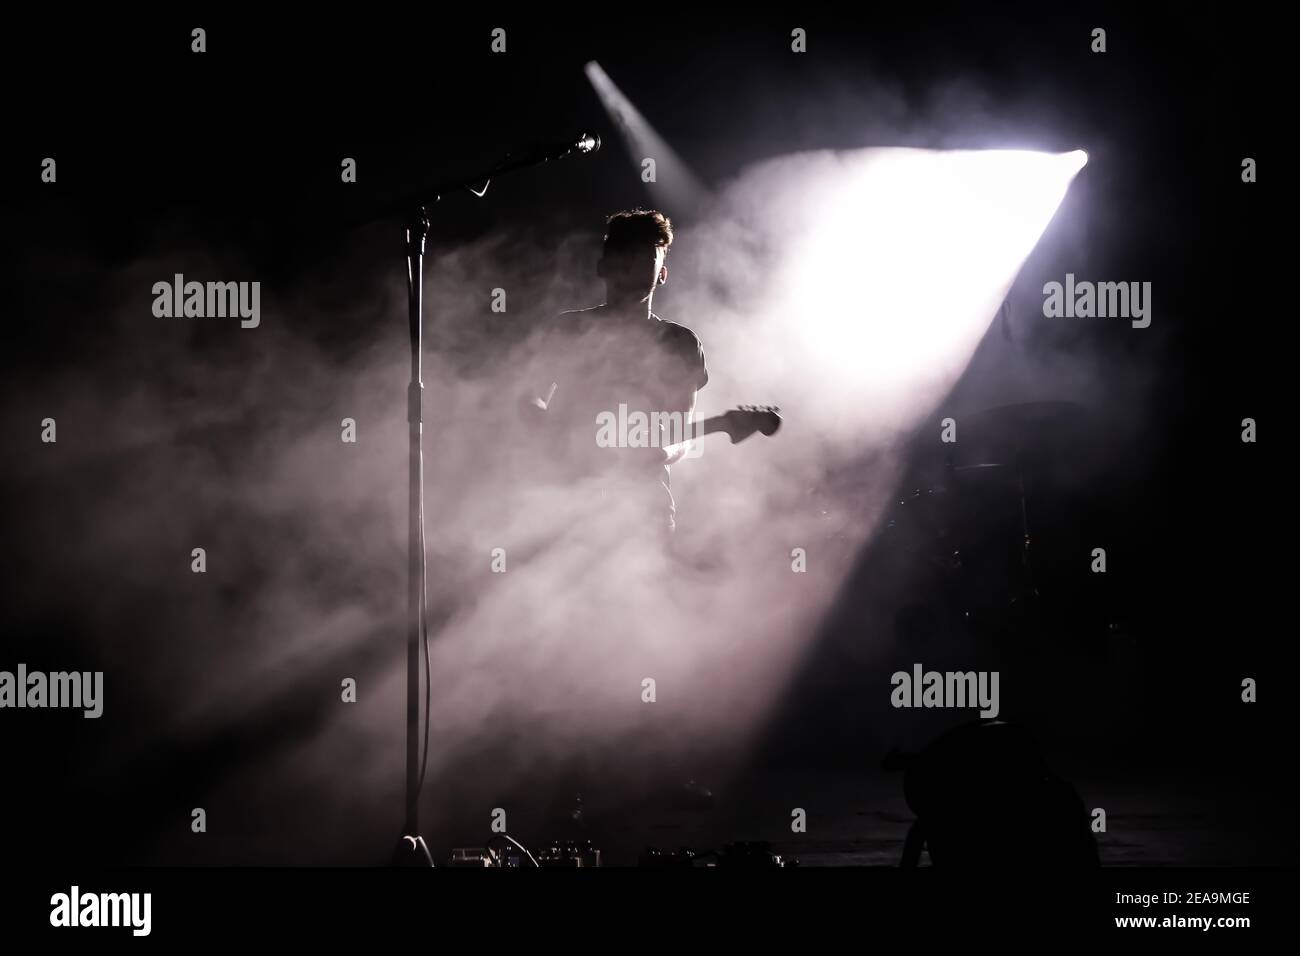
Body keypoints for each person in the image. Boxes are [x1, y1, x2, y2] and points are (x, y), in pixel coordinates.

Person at [525, 209, 708, 539]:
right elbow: (527, 396)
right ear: (602, 266)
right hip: (561, 502)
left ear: (662, 273)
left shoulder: (680, 342)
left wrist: (659, 453)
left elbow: (681, 432)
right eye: (625, 252)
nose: (634, 262)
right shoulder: (567, 328)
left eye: (645, 255)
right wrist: (556, 440)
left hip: (644, 508)